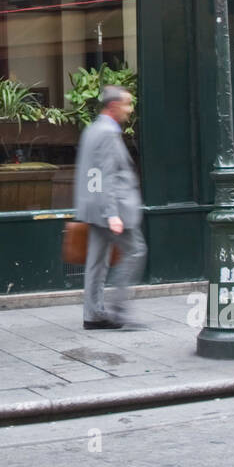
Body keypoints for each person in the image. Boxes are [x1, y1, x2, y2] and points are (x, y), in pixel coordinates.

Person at [73, 85, 147, 329]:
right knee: (135, 251)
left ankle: (92, 314)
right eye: (127, 104)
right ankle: (118, 310)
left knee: (97, 261)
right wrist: (112, 214)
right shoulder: (107, 133)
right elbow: (106, 175)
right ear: (114, 106)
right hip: (111, 210)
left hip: (94, 207)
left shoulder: (93, 129)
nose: (130, 109)